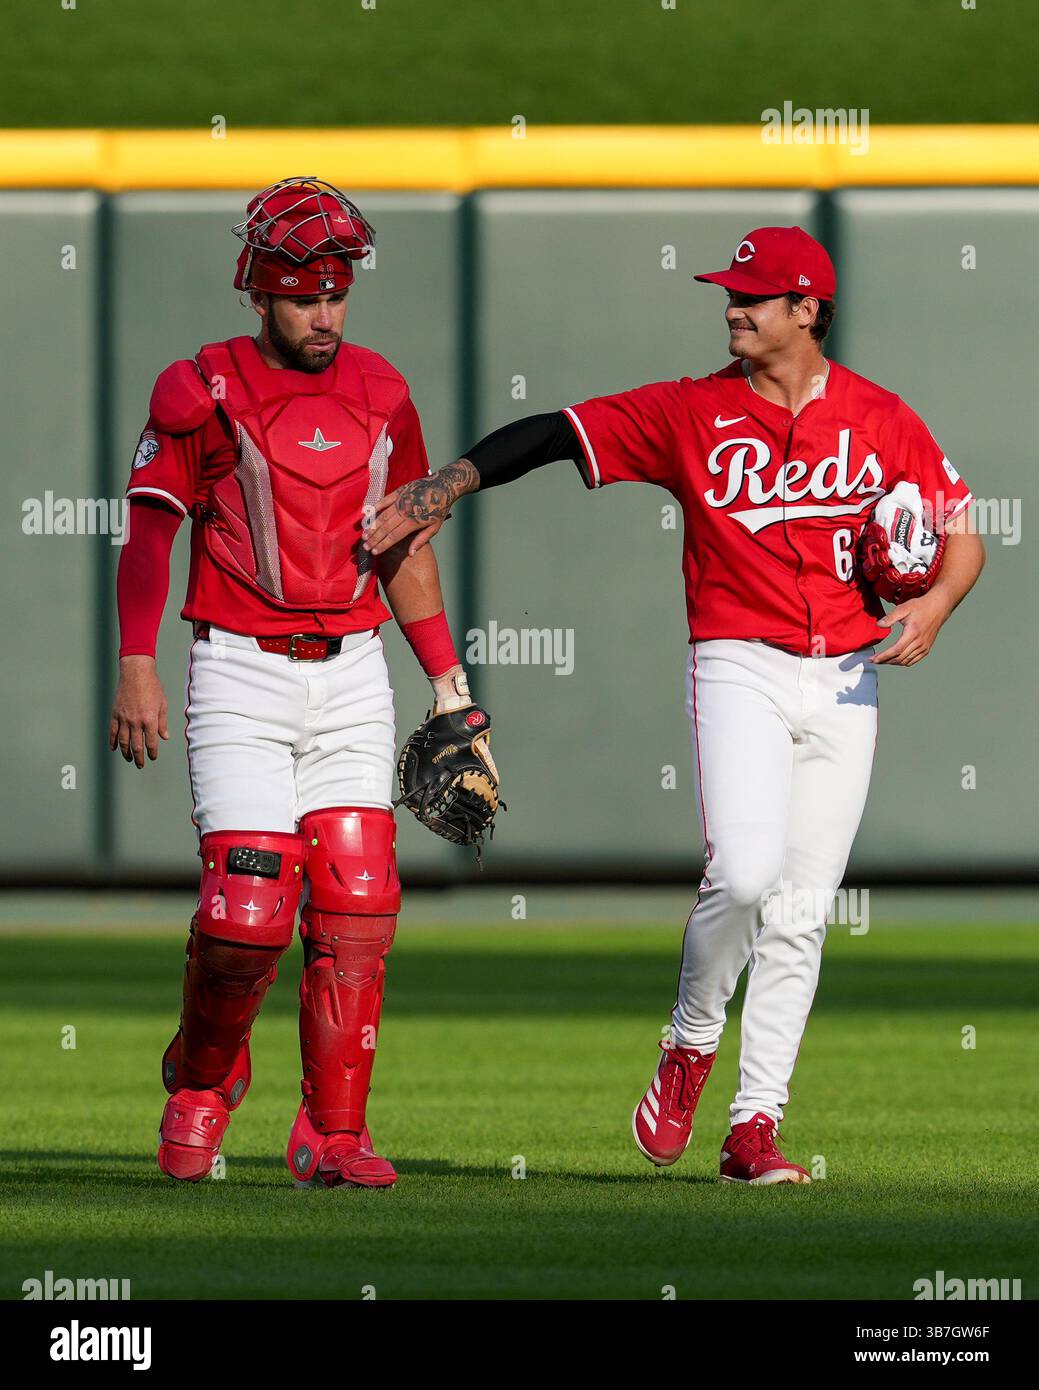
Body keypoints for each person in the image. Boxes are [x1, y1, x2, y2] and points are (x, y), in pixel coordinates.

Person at [361, 225, 985, 1184]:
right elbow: (556, 431)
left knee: (801, 910)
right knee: (741, 875)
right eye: (729, 295)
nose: (732, 308)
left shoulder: (882, 417)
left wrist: (934, 605)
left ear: (807, 308)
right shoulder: (692, 412)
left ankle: (754, 1128)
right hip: (739, 659)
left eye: (753, 296)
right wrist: (452, 482)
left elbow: (962, 534)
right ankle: (690, 1041)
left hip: (850, 675)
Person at [110, 176, 479, 1189]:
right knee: (246, 907)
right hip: (235, 661)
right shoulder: (201, 388)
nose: (326, 313)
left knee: (360, 895)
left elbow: (402, 549)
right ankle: (199, 1075)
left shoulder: (383, 391)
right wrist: (137, 659)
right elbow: (149, 531)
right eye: (306, 295)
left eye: (338, 292)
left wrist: (448, 681)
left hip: (354, 669)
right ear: (261, 293)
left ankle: (332, 1132)